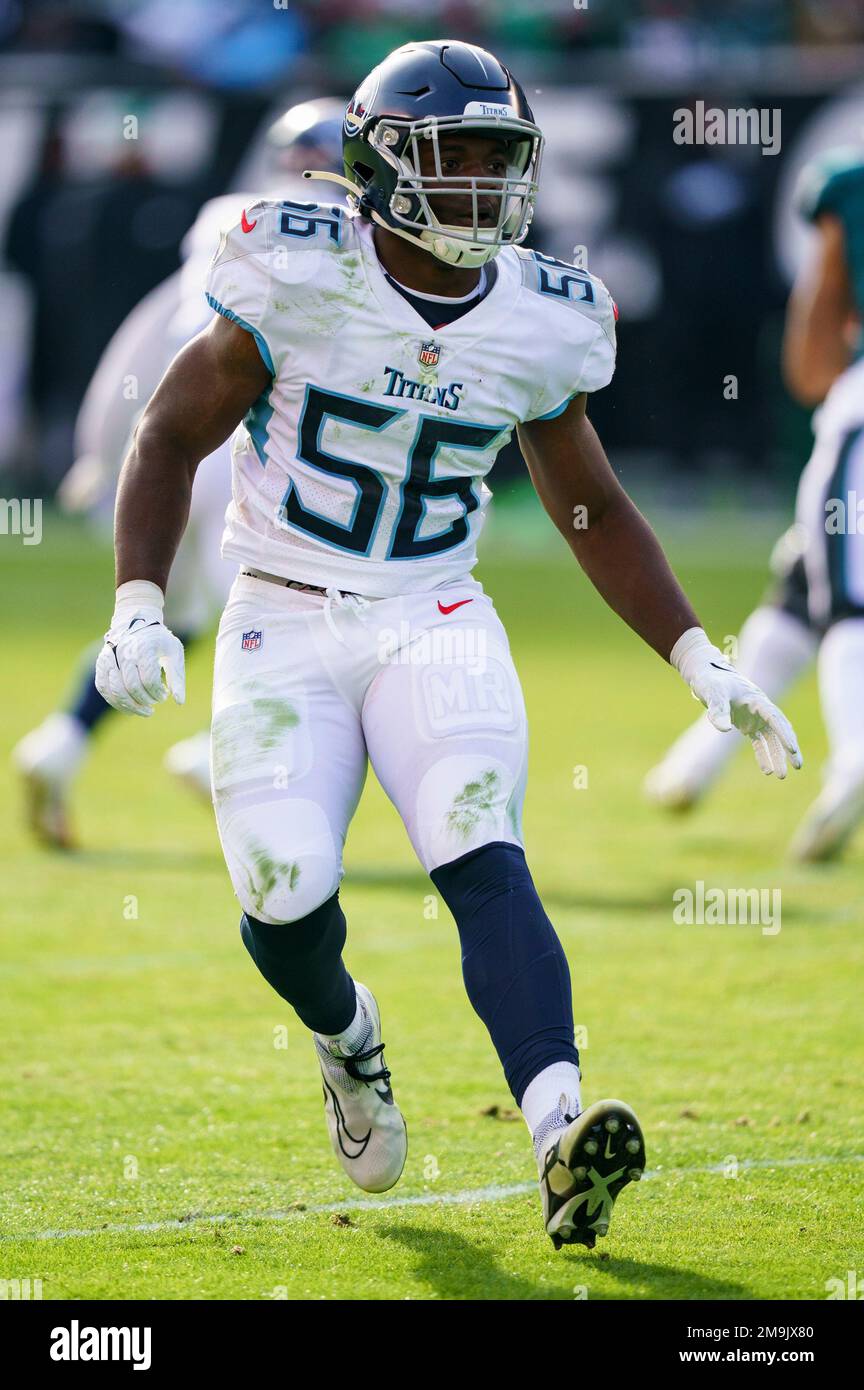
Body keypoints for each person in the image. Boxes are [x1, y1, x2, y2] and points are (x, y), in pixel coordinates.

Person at [94, 41, 801, 1249]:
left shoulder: (539, 315)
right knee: (283, 890)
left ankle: (560, 1130)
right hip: (282, 606)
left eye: (498, 159)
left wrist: (700, 656)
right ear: (380, 164)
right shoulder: (299, 269)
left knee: (481, 846)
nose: (481, 185)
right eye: (452, 156)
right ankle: (346, 1038)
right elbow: (166, 433)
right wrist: (140, 602)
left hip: (435, 614)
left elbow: (591, 504)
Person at [14, 100, 344, 847]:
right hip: (249, 455)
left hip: (163, 449)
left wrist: (103, 451)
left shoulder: (227, 219)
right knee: (294, 628)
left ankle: (63, 739)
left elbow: (151, 335)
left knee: (175, 618)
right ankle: (222, 757)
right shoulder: (351, 244)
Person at [645, 147, 863, 862]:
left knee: (846, 601)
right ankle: (696, 762)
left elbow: (812, 368)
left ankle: (855, 763)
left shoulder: (847, 186)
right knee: (804, 579)